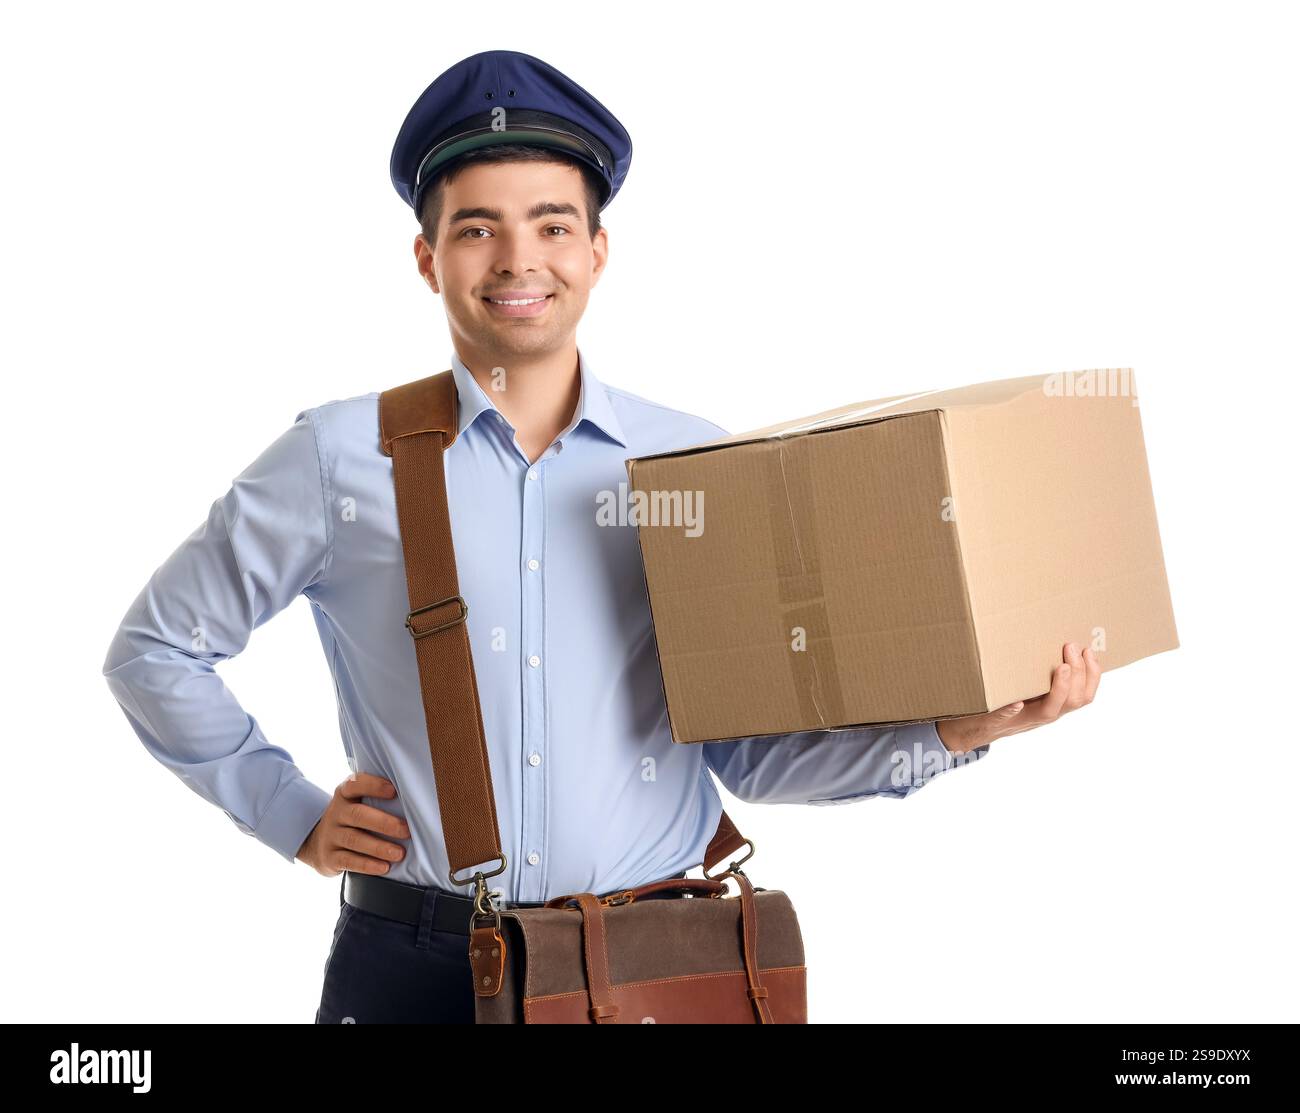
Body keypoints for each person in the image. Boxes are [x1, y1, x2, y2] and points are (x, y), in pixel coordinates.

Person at [101, 49, 1102, 1024]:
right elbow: (154, 649)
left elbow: (749, 755)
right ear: (428, 258)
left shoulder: (695, 465)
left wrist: (954, 733)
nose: (518, 259)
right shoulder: (338, 458)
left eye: (552, 224)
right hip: (416, 969)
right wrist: (290, 813)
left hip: (650, 965)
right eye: (477, 229)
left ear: (596, 252)